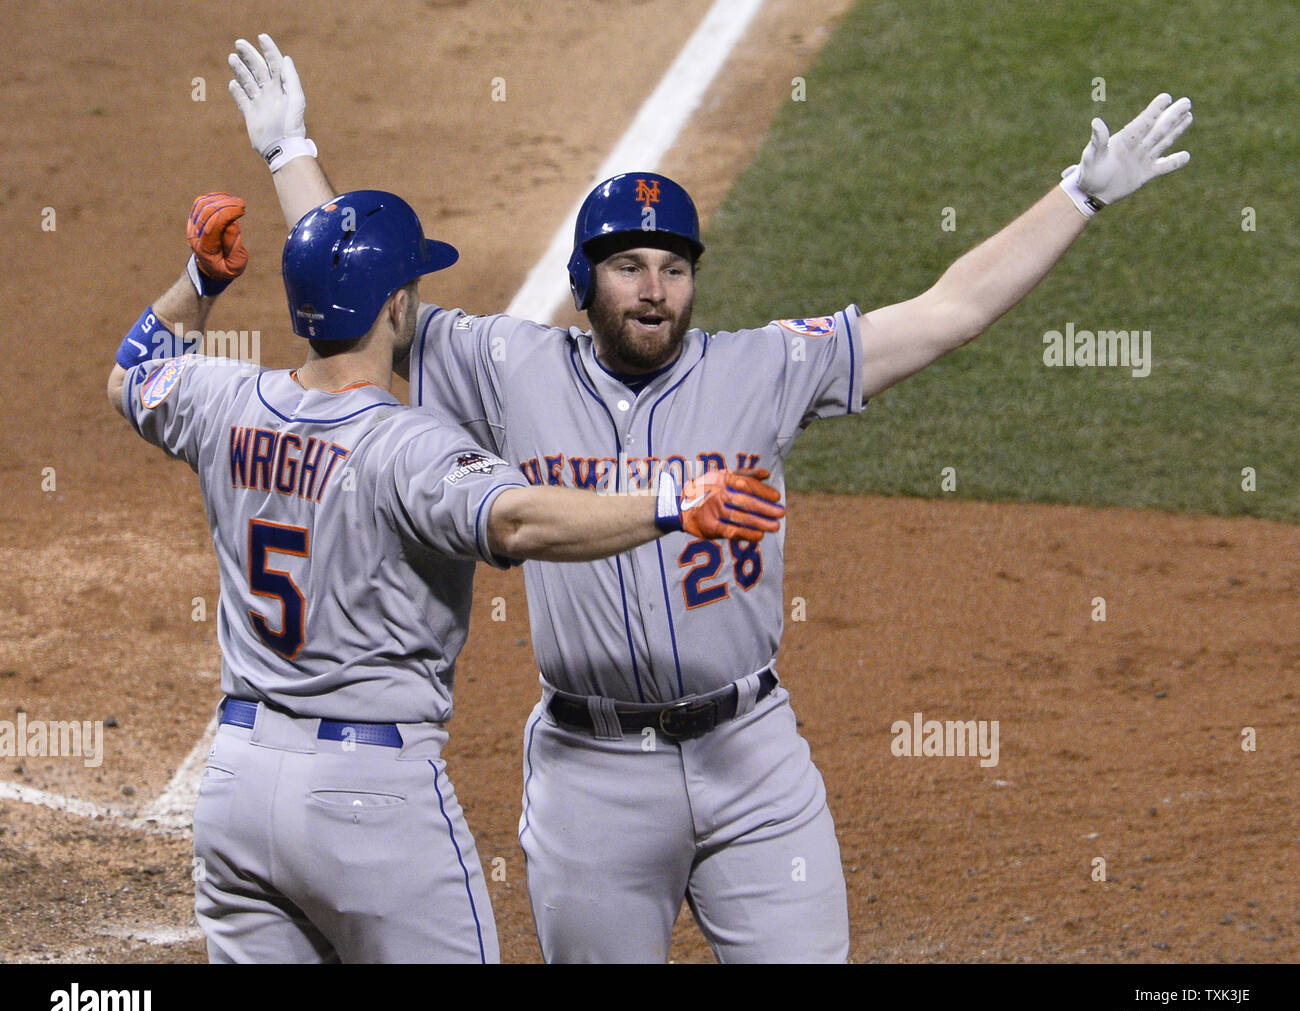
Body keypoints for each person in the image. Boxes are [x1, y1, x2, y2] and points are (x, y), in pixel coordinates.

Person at [227, 33, 1193, 962]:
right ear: (584, 281)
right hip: (589, 775)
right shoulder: (504, 366)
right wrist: (289, 151)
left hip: (752, 762)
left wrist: (1079, 197)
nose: (655, 290)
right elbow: (363, 286)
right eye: (628, 266)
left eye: (676, 269)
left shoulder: (767, 366)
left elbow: (949, 310)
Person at [106, 188, 784, 964]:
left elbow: (134, 371)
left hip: (235, 790)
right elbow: (518, 520)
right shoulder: (412, 448)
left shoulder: (222, 400)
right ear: (396, 307)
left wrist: (201, 279)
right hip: (370, 803)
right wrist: (671, 505)